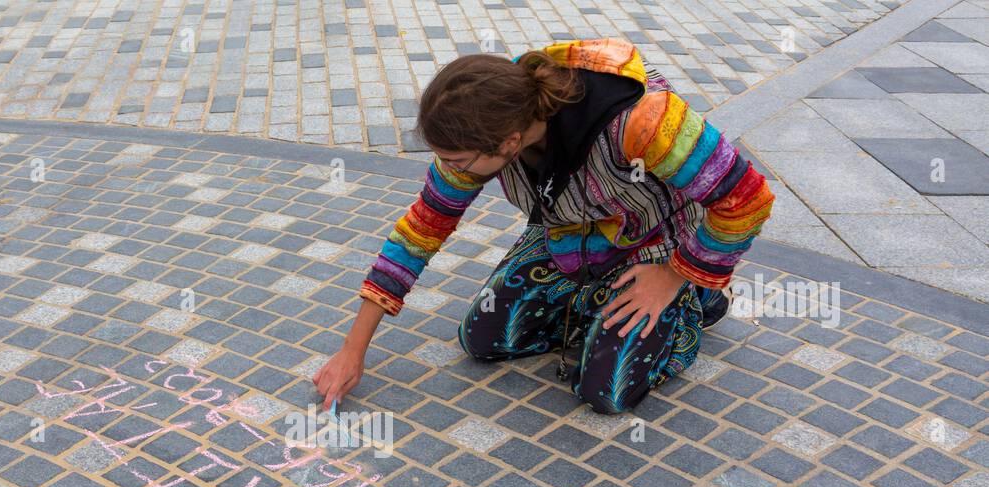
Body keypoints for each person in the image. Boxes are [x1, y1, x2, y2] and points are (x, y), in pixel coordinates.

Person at [315, 37, 775, 415]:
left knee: (606, 391)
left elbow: (748, 198)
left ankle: (697, 299)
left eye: (456, 160)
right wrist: (353, 349)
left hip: (657, 243)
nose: (447, 168)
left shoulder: (643, 122)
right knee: (485, 338)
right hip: (570, 237)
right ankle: (602, 303)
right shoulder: (494, 127)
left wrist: (675, 274)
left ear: (509, 141)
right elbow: (422, 229)